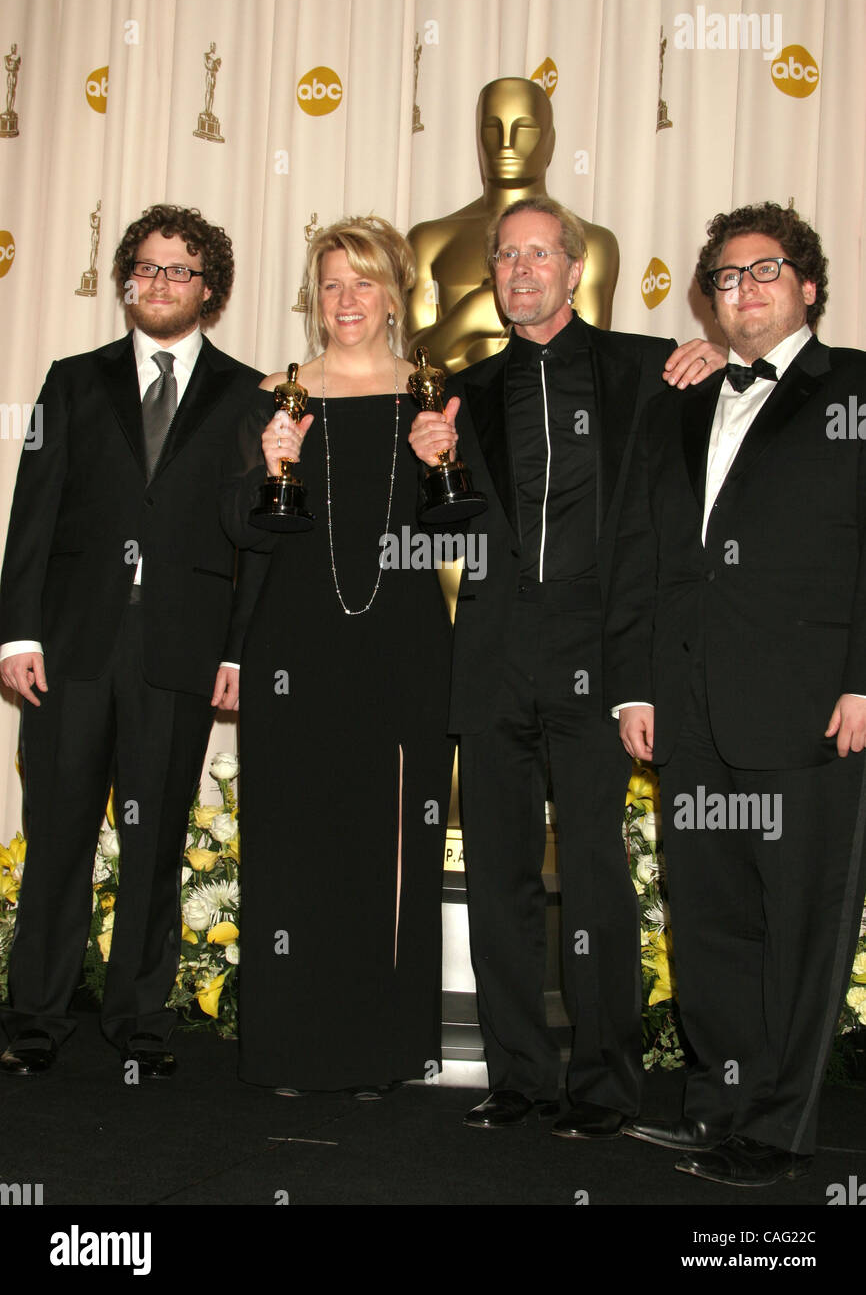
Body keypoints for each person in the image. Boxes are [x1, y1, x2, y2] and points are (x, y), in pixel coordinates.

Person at [408, 194, 725, 1134]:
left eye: (538, 255)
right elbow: (445, 529)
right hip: (497, 650)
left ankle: (603, 1089)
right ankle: (518, 1079)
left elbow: (733, 434)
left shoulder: (648, 369)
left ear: (574, 268)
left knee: (593, 874)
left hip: (604, 651)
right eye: (506, 257)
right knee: (502, 867)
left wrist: (722, 361)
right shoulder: (462, 387)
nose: (520, 271)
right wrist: (435, 465)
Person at [606, 202, 866, 1186]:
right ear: (708, 298)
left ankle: (775, 1128)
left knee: (797, 927)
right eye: (725, 276)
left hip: (809, 714)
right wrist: (633, 684)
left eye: (764, 271)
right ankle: (714, 1108)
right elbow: (650, 555)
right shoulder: (680, 397)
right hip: (689, 707)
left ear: (805, 284)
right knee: (707, 919)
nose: (744, 289)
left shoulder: (853, 387)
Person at [0, 205, 261, 1079]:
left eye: (177, 271)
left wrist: (235, 650)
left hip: (180, 650)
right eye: (144, 268)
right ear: (125, 279)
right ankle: (33, 1019)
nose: (157, 283)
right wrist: (17, 633)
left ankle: (140, 1026)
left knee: (155, 844)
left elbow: (253, 540)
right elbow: (32, 510)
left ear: (210, 290)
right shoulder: (71, 381)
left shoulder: (253, 394)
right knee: (60, 837)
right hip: (72, 645)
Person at [222, 216, 453, 1095]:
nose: (346, 300)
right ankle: (288, 1049)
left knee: (387, 844)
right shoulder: (275, 395)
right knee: (294, 841)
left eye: (364, 282)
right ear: (312, 298)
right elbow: (239, 529)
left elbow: (457, 523)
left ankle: (382, 1052)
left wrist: (446, 458)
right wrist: (266, 466)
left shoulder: (432, 393)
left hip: (403, 641)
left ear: (394, 293)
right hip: (293, 642)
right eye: (331, 284)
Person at [406, 77, 620, 371]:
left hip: (556, 410)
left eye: (524, 130)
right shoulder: (430, 240)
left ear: (550, 141)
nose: (506, 145)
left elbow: (590, 356)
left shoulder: (593, 243)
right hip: (457, 409)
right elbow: (416, 360)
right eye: (493, 130)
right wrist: (473, 312)